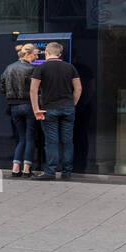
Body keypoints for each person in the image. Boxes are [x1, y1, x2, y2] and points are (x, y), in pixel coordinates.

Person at [30, 41, 81, 181]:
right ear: (60, 54)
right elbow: (78, 88)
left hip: (49, 109)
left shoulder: (40, 68)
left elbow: (33, 90)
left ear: (46, 53)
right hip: (68, 108)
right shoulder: (70, 68)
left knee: (51, 141)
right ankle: (66, 172)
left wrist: (36, 109)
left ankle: (50, 172)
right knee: (67, 141)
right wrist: (72, 104)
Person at [1, 44, 38, 178]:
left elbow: (2, 87)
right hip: (28, 106)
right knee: (30, 138)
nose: (37, 56)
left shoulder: (9, 68)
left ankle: (15, 168)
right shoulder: (33, 69)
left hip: (14, 107)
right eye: (35, 54)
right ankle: (27, 170)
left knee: (21, 138)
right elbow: (37, 89)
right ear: (27, 54)